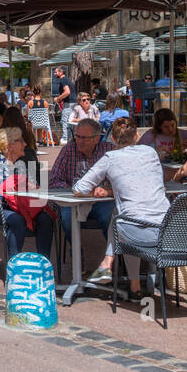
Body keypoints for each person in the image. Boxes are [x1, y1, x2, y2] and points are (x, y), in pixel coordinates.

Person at [73, 118, 170, 295]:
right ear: (137, 136)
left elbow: (79, 188)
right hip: (168, 227)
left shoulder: (110, 157)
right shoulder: (151, 152)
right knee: (119, 213)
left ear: (113, 140)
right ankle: (133, 284)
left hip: (138, 231)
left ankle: (108, 263)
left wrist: (104, 191)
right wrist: (113, 192)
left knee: (123, 219)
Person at [0, 127, 54, 262]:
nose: (25, 144)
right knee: (16, 220)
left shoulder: (21, 164)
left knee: (45, 219)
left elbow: (35, 187)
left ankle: (44, 264)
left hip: (20, 208)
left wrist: (34, 188)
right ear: (10, 146)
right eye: (21, 141)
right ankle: (14, 266)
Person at [48, 117, 115, 274]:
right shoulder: (68, 150)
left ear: (97, 138)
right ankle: (77, 254)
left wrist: (106, 189)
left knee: (110, 217)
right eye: (77, 136)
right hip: (75, 200)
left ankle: (114, 259)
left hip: (101, 200)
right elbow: (54, 179)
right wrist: (71, 191)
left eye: (84, 138)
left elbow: (121, 180)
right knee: (66, 217)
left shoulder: (109, 151)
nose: (79, 141)